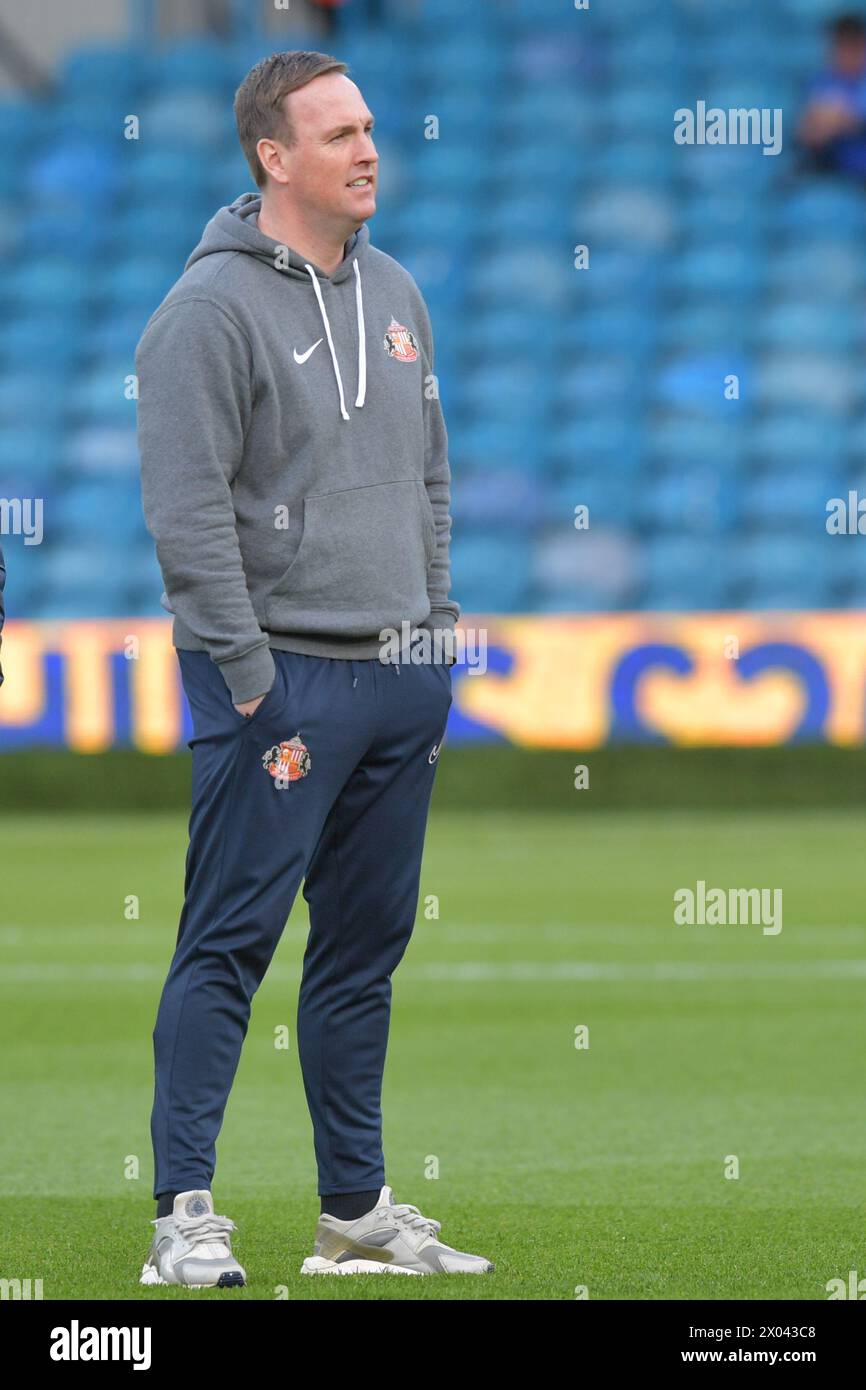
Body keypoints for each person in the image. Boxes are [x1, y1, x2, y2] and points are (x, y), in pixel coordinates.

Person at [136, 49, 492, 1284]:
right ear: (270, 157)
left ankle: (355, 1213)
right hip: (275, 677)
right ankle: (182, 1218)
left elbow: (430, 470)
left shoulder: (395, 289)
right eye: (336, 133)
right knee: (227, 946)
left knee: (360, 955)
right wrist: (245, 678)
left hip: (396, 672)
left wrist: (432, 627)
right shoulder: (204, 313)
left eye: (370, 128)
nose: (367, 150)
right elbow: (185, 517)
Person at [798, 12, 866, 176]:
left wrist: (841, 119)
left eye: (853, 45)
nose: (847, 53)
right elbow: (806, 133)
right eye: (841, 45)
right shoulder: (819, 81)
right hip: (830, 169)